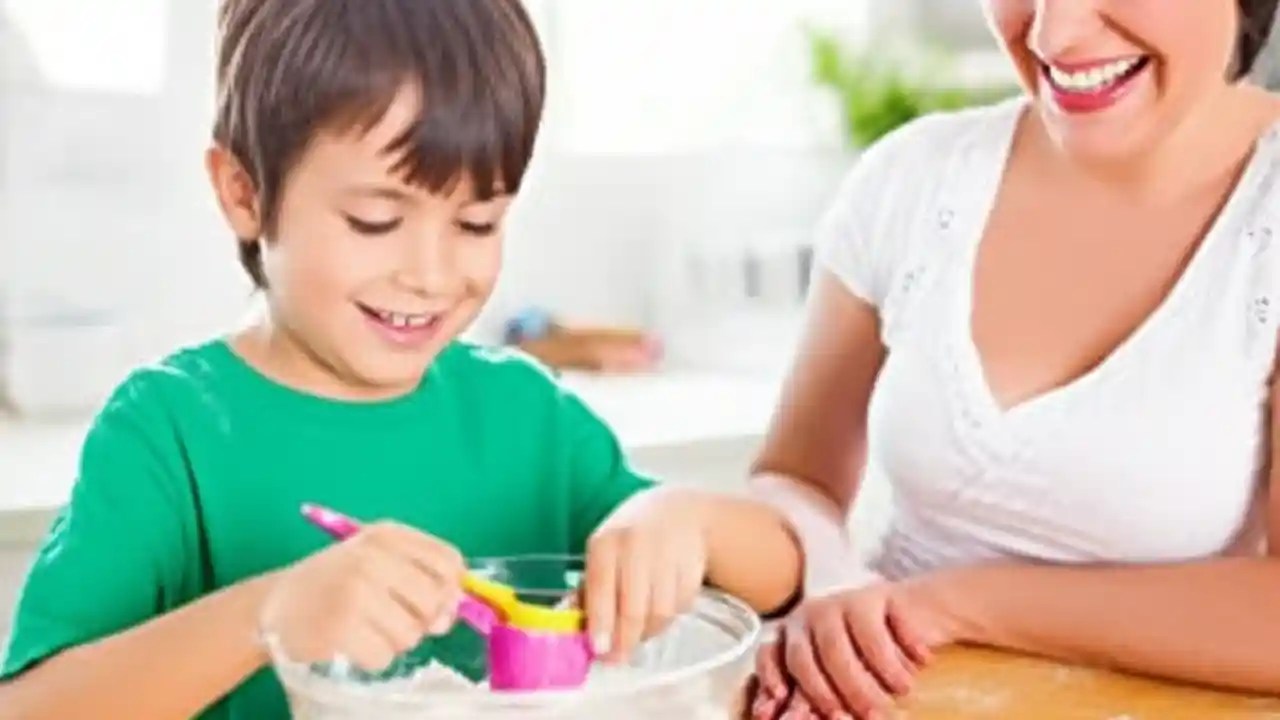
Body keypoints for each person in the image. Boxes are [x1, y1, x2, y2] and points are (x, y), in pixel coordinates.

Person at [0, 2, 802, 718]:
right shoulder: (170, 433)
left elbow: (780, 572)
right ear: (243, 194)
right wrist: (268, 615)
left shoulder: (523, 418)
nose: (430, 272)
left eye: (478, 224)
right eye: (376, 220)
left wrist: (681, 519)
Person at [747, 1, 1280, 718]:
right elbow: (792, 478)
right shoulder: (912, 178)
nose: (1052, 34)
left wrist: (954, 605)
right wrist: (838, 590)